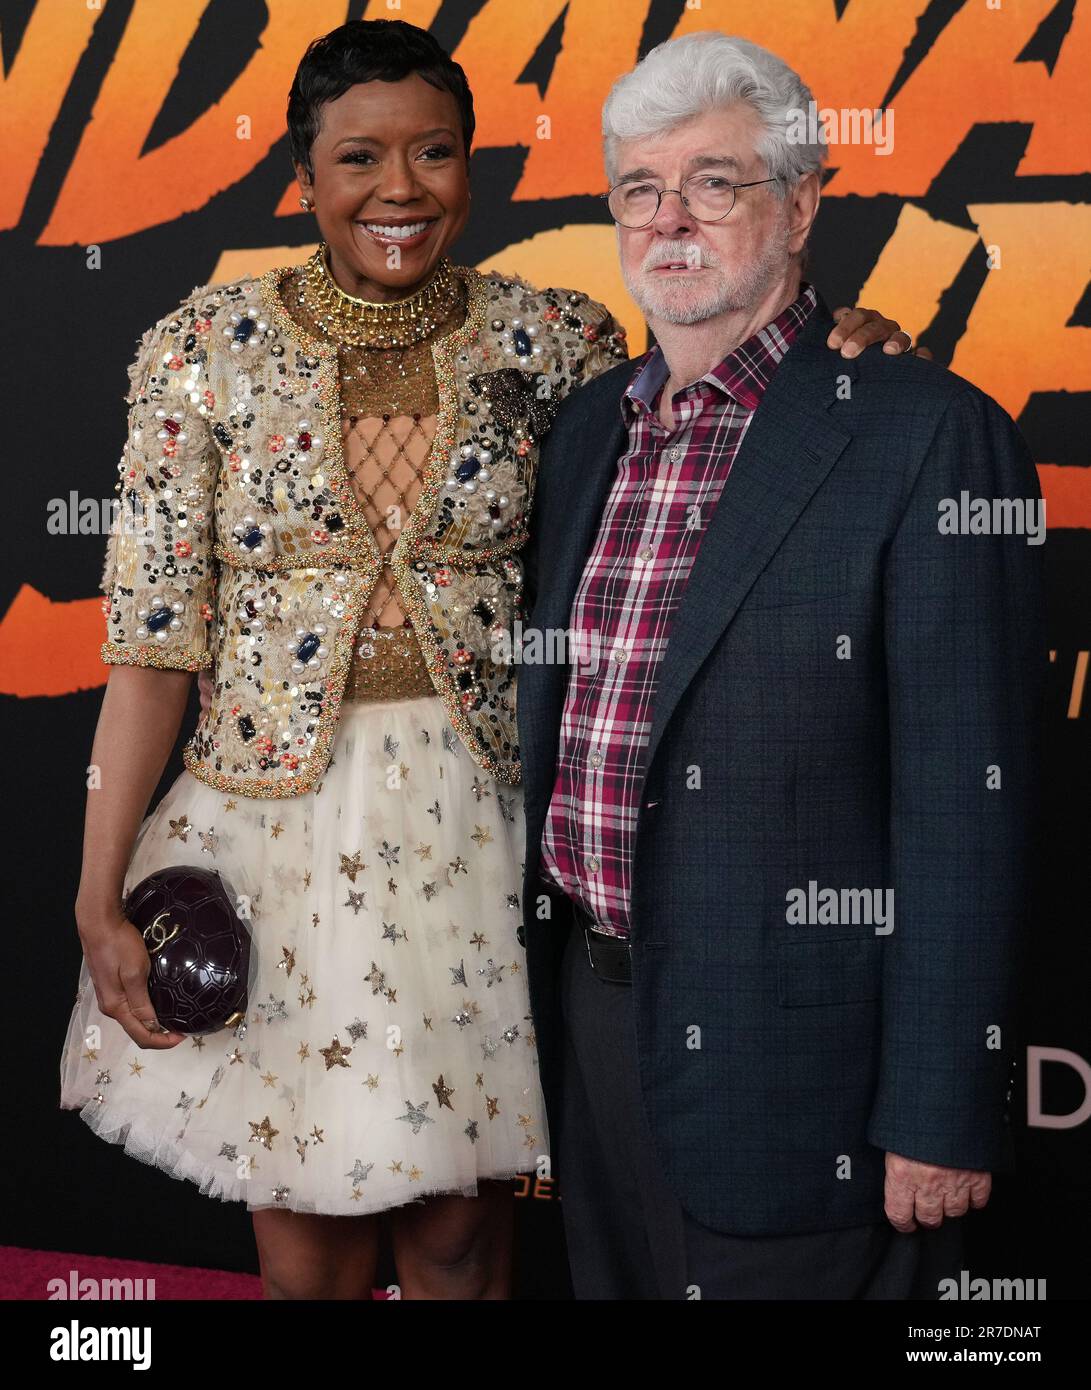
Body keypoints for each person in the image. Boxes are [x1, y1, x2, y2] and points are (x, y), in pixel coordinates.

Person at [60, 19, 911, 1301]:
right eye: (358, 158)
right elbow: (150, 645)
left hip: (481, 837)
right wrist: (96, 889)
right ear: (301, 174)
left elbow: (722, 385)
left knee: (462, 1237)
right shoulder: (203, 349)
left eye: (434, 154)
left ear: (472, 168)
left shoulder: (554, 337)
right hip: (269, 834)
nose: (398, 190)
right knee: (308, 1242)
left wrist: (849, 344)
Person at [517, 32, 1047, 1300]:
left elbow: (963, 806)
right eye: (639, 189)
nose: (669, 220)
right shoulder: (589, 427)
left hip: (799, 1060)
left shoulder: (926, 434)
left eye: (715, 182)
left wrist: (937, 1103)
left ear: (802, 202)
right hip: (593, 1023)